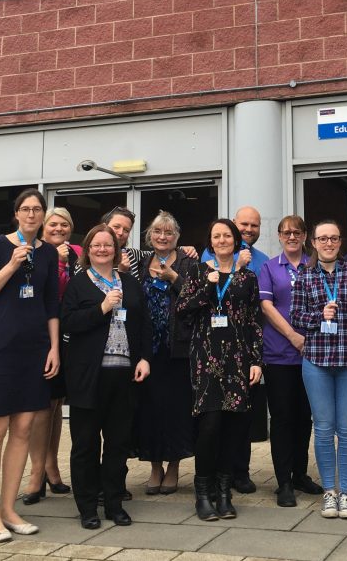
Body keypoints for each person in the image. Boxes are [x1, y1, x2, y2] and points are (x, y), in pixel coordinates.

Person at [0, 188, 60, 542]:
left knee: (23, 428)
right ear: (16, 214)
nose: (31, 215)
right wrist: (11, 264)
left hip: (35, 348)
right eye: (26, 209)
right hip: (1, 348)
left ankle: (9, 508)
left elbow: (51, 303)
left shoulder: (49, 253)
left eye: (37, 209)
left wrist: (54, 348)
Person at [61, 224, 152, 529]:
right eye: (96, 245)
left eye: (108, 245)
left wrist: (144, 358)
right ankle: (87, 507)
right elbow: (69, 323)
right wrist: (102, 307)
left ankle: (114, 503)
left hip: (124, 375)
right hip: (89, 377)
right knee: (85, 445)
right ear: (87, 250)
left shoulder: (130, 282)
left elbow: (144, 324)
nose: (102, 250)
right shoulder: (78, 284)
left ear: (116, 250)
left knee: (118, 444)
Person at [290, 220, 347, 521]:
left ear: (341, 243)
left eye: (334, 238)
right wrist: (319, 315)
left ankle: (346, 494)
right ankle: (329, 491)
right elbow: (296, 318)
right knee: (324, 429)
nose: (328, 243)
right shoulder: (304, 276)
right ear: (312, 242)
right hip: (316, 363)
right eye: (322, 238)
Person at [177, 218, 263, 521]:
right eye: (217, 235)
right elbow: (183, 309)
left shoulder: (247, 277)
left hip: (238, 360)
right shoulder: (198, 272)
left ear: (236, 240)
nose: (222, 239)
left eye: (228, 235)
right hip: (206, 359)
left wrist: (256, 361)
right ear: (210, 242)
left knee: (231, 428)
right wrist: (205, 287)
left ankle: (225, 493)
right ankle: (203, 492)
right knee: (210, 425)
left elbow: (254, 321)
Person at [201, 205, 268, 493]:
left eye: (254, 225)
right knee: (213, 421)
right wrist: (238, 266)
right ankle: (212, 476)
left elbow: (256, 311)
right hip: (211, 353)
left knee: (242, 417)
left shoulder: (263, 261)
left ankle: (239, 472)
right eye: (243, 225)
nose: (248, 230)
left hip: (242, 351)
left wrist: (256, 356)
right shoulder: (206, 258)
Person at [258, 215, 322, 507]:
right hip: (280, 355)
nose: (292, 237)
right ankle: (283, 481)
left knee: (304, 418)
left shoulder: (317, 265)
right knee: (283, 420)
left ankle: (299, 474)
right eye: (286, 233)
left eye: (297, 232)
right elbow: (267, 306)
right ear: (280, 236)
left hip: (313, 355)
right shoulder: (270, 267)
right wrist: (293, 336)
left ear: (305, 235)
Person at [135, 211, 198, 496]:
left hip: (178, 348)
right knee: (150, 409)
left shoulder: (189, 262)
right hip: (149, 349)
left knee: (176, 409)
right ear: (150, 235)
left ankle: (173, 467)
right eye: (158, 232)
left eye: (169, 233)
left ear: (177, 237)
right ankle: (154, 466)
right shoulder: (139, 261)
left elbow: (197, 299)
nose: (163, 237)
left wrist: (174, 278)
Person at [22, 207, 80, 504]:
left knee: (56, 405)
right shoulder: (37, 252)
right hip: (40, 332)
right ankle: (36, 474)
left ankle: (52, 466)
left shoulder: (78, 252)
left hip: (69, 336)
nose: (59, 229)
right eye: (54, 224)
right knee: (42, 405)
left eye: (65, 225)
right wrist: (57, 263)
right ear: (44, 226)